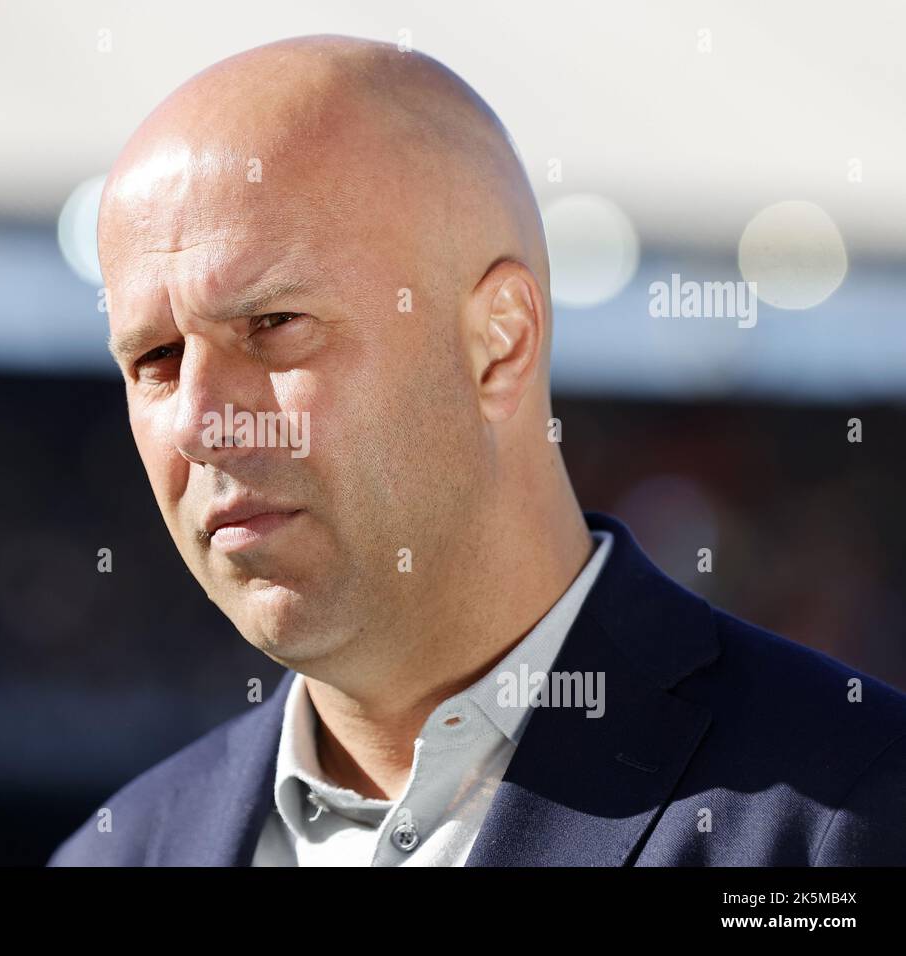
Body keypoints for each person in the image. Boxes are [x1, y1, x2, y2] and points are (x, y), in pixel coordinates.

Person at [48, 34, 906, 866]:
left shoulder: (850, 818)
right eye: (155, 359)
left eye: (272, 325)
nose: (201, 423)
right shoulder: (117, 852)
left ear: (500, 343)